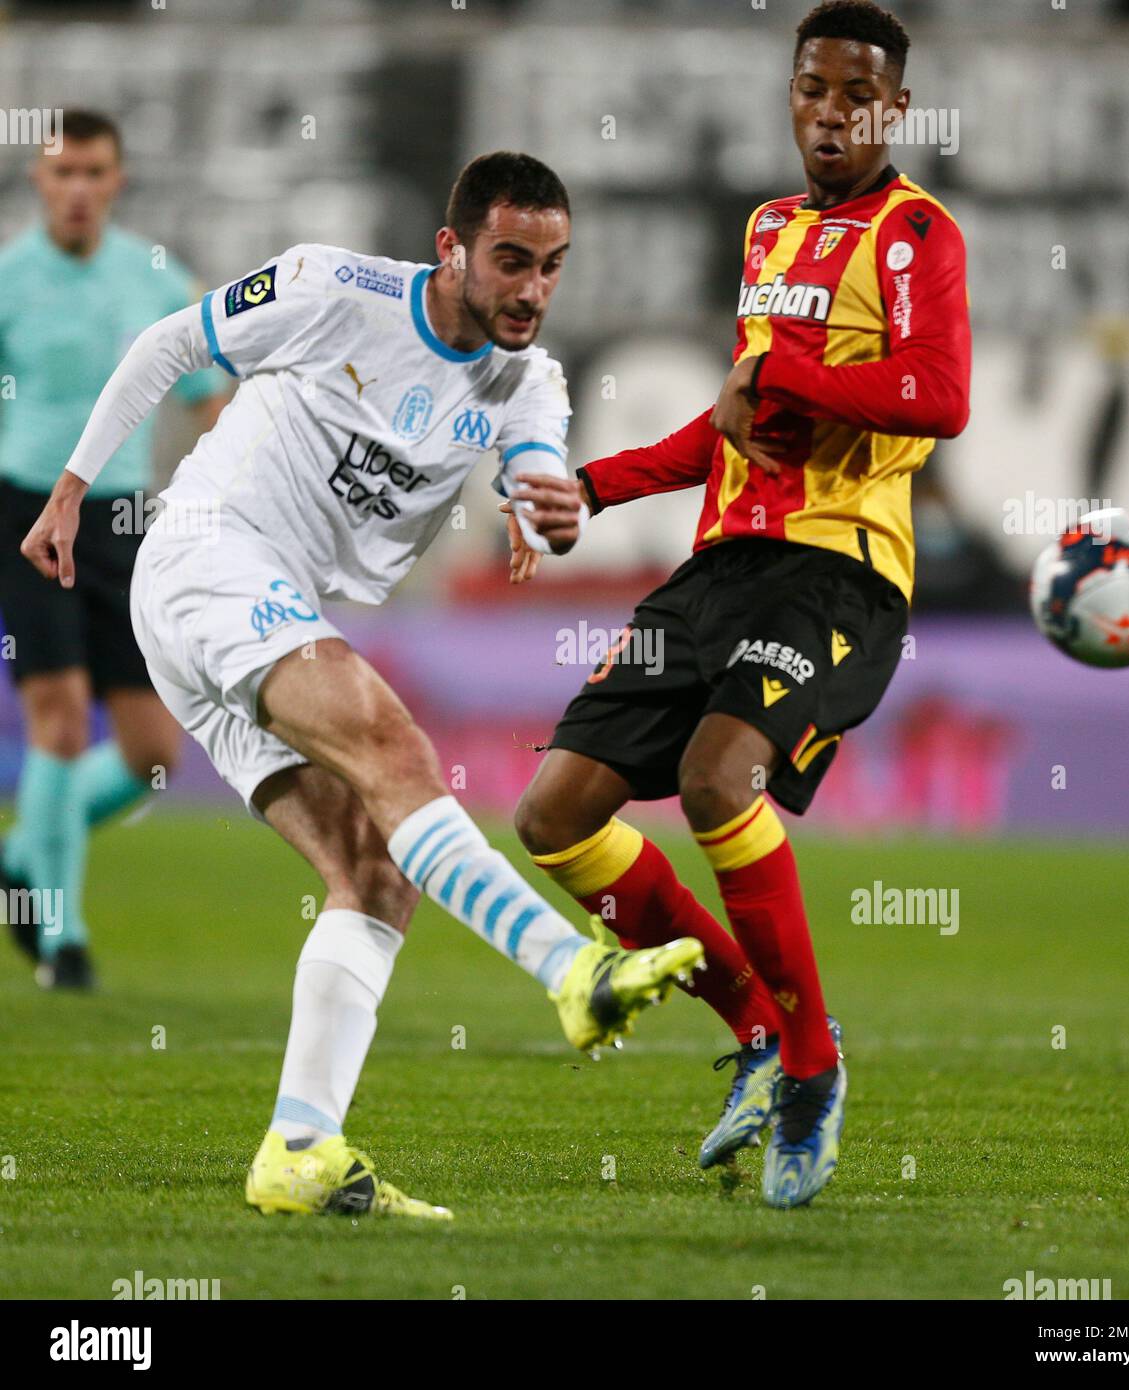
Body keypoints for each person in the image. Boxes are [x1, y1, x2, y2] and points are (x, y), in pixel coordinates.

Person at [20, 151, 703, 1220]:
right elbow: (168, 345)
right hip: (207, 554)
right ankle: (571, 968)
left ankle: (298, 1144)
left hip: (262, 610)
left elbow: (537, 466)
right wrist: (70, 488)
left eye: (553, 267)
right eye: (511, 260)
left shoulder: (530, 377)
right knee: (398, 756)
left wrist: (544, 512)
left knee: (378, 873)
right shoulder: (332, 291)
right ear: (452, 250)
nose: (531, 289)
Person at [514, 0, 971, 1210]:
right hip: (718, 565)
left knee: (721, 777)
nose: (834, 110)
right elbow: (732, 419)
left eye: (859, 93)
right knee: (554, 815)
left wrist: (784, 369)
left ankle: (814, 1065)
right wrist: (595, 488)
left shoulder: (917, 234)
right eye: (814, 86)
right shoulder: (769, 230)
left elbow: (935, 393)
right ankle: (759, 1030)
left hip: (838, 568)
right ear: (790, 95)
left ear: (896, 110)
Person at [0, 109, 229, 989]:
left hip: (124, 526)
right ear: (39, 182)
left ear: (117, 180)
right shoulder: (10, 278)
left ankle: (26, 849)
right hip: (24, 515)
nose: (79, 189)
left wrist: (222, 490)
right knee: (56, 721)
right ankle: (61, 938)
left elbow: (213, 392)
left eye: (95, 172)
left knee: (155, 758)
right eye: (64, 173)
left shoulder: (152, 277)